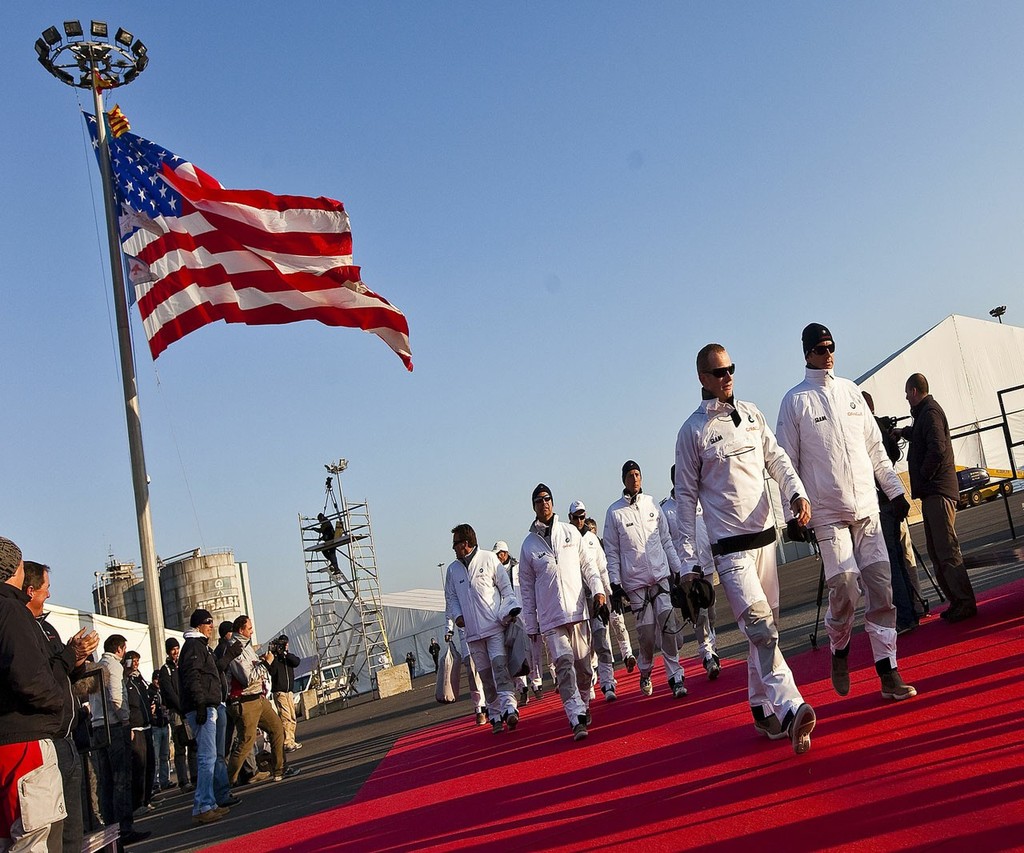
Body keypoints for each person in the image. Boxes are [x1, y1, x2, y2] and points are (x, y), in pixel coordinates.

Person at [675, 344, 816, 755]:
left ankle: (760, 709)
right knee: (761, 629)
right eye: (719, 372)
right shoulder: (692, 432)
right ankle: (791, 709)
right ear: (702, 377)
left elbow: (779, 461)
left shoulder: (752, 414)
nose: (727, 377)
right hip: (730, 553)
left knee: (766, 633)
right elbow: (685, 501)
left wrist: (796, 495)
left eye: (731, 369)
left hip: (766, 544)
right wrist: (688, 565)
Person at [776, 324, 917, 702]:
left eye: (832, 346)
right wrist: (792, 512)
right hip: (826, 514)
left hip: (867, 510)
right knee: (846, 587)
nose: (828, 354)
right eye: (821, 349)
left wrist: (895, 490)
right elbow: (785, 463)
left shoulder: (852, 392)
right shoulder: (795, 402)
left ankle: (889, 674)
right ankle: (839, 649)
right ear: (807, 353)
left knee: (882, 591)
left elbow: (875, 450)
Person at [1, 539, 88, 851]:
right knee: (35, 838)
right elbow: (29, 678)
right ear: (16, 571)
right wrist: (58, 703)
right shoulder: (11, 612)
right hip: (26, 743)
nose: (48, 592)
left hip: (12, 742)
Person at [21, 559, 100, 852]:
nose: (49, 595)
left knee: (72, 825)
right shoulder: (21, 629)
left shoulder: (48, 628)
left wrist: (77, 658)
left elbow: (64, 672)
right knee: (50, 829)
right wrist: (70, 654)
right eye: (46, 588)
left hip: (66, 738)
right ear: (30, 590)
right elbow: (40, 679)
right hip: (44, 741)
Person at [519, 485, 606, 742]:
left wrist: (598, 590)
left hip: (577, 611)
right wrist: (531, 625)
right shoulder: (528, 546)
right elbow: (526, 588)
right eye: (538, 500)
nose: (543, 503)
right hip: (551, 618)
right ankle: (575, 716)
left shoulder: (570, 533)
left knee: (584, 668)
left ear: (553, 503)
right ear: (534, 506)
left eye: (547, 499)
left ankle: (584, 704)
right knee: (564, 665)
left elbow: (588, 566)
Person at [897, 373, 978, 622]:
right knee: (938, 550)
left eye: (906, 393)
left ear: (912, 391)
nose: (906, 398)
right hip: (935, 491)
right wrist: (904, 432)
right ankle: (957, 601)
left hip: (938, 491)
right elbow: (925, 439)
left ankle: (964, 602)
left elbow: (937, 448)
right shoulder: (926, 413)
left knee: (946, 550)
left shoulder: (930, 413)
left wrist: (923, 475)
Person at [604, 461, 688, 699]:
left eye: (638, 474)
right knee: (648, 637)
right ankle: (646, 671)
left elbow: (666, 541)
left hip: (660, 578)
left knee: (669, 628)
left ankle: (676, 677)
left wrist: (678, 570)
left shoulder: (652, 504)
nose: (635, 478)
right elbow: (611, 551)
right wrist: (615, 583)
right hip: (636, 585)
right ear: (624, 480)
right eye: (630, 475)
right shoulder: (614, 513)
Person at [444, 525, 521, 733]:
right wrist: (458, 615)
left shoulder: (488, 559)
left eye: (456, 544)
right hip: (472, 633)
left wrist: (508, 611)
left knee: (500, 668)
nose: (453, 549)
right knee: (485, 676)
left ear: (466, 544)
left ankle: (510, 708)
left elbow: (506, 589)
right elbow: (450, 597)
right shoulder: (452, 570)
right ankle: (495, 714)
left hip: (493, 627)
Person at [863, 391, 921, 634]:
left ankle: (904, 616)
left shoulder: (866, 432)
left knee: (890, 563)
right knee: (899, 556)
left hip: (881, 503)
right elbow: (893, 457)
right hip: (892, 500)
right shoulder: (879, 429)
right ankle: (912, 610)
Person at [660, 468, 721, 680]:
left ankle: (711, 646)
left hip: (708, 564)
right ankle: (707, 654)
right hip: (687, 571)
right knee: (699, 613)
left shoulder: (700, 500)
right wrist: (676, 570)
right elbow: (666, 542)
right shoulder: (666, 510)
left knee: (711, 612)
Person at [180, 608, 234, 825]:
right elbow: (192, 677)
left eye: (212, 622)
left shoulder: (201, 646)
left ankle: (209, 802)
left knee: (209, 757)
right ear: (198, 625)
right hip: (202, 708)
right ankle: (202, 805)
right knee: (206, 758)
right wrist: (201, 704)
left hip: (207, 706)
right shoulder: (194, 647)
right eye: (207, 623)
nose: (211, 626)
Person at [226, 615, 295, 785]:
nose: (252, 631)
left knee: (277, 728)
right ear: (241, 630)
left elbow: (253, 669)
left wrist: (261, 661)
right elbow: (246, 678)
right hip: (245, 700)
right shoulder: (236, 648)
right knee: (245, 742)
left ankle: (279, 769)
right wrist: (265, 664)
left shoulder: (247, 645)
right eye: (249, 628)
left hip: (258, 697)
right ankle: (226, 782)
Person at [90, 634, 145, 840]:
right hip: (113, 726)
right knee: (122, 779)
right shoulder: (114, 666)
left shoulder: (97, 666)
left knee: (106, 781)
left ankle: (111, 831)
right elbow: (116, 697)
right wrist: (125, 719)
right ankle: (125, 828)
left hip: (98, 727)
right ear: (120, 649)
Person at [567, 501, 617, 702]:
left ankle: (608, 683)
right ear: (570, 517)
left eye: (582, 516)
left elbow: (601, 566)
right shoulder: (566, 540)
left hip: (595, 597)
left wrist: (608, 591)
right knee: (582, 648)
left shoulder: (592, 539)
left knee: (601, 640)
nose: (580, 520)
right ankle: (589, 683)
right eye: (576, 517)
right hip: (576, 601)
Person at [494, 540, 543, 703]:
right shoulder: (495, 573)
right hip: (509, 619)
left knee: (533, 652)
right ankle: (522, 688)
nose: (497, 557)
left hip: (526, 615)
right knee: (515, 654)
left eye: (499, 553)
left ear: (505, 553)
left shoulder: (519, 568)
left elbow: (530, 588)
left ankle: (537, 683)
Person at [586, 517, 636, 673]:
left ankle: (627, 654)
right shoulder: (581, 546)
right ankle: (609, 661)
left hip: (608, 588)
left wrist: (614, 591)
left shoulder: (603, 546)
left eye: (592, 530)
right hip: (594, 592)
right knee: (602, 628)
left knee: (618, 621)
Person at [159, 637, 195, 791]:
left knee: (193, 744)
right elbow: (169, 691)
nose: (175, 652)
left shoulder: (183, 665)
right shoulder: (165, 670)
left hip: (188, 709)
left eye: (177, 648)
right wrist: (181, 706)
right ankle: (183, 781)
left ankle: (195, 777)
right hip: (177, 712)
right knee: (180, 747)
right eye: (172, 649)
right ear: (168, 651)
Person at [122, 651, 155, 813]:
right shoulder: (124, 680)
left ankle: (147, 798)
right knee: (139, 766)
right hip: (135, 728)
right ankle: (138, 802)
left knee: (149, 764)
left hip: (147, 725)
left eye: (137, 661)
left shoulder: (139, 679)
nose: (135, 664)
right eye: (132, 661)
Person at [268, 635, 302, 752]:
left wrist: (285, 653)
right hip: (280, 691)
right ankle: (287, 742)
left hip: (289, 691)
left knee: (292, 717)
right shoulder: (275, 658)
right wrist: (276, 655)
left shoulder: (288, 657)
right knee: (285, 716)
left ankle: (291, 740)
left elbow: (297, 662)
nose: (285, 646)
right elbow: (272, 671)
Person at [149, 669, 171, 793]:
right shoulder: (150, 692)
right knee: (156, 756)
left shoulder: (163, 691)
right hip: (155, 726)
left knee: (165, 755)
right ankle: (155, 782)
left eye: (159, 679)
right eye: (156, 679)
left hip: (164, 725)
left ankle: (165, 780)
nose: (157, 681)